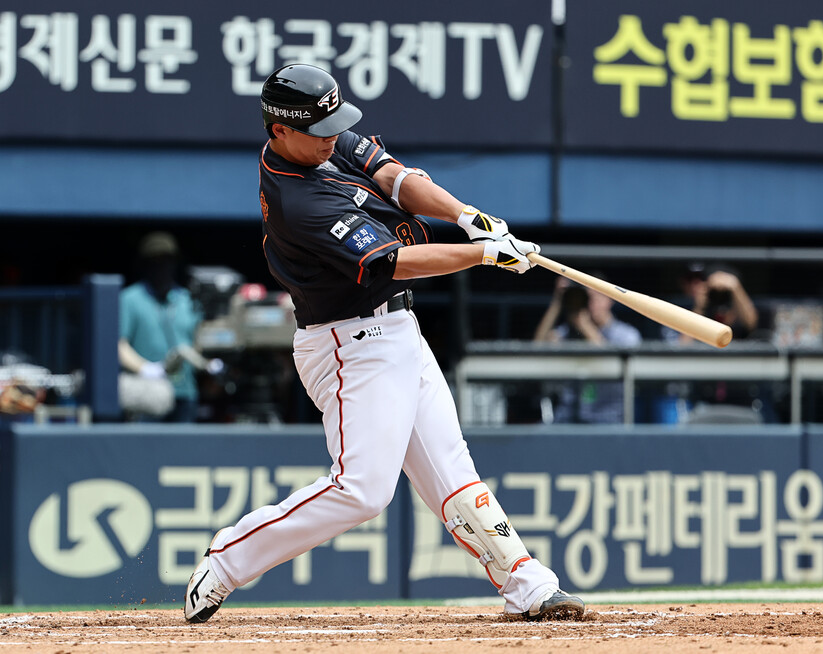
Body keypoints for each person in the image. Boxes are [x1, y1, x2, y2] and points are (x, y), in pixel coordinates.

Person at [184, 64, 584, 624]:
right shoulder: (299, 205)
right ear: (279, 130)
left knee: (452, 468)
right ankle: (229, 559)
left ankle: (528, 585)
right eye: (320, 129)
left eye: (334, 125)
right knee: (362, 492)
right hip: (349, 345)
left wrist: (468, 218)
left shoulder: (321, 138)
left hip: (396, 332)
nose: (333, 137)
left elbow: (396, 178)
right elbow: (395, 263)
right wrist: (482, 254)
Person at [118, 232, 205, 422]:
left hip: (185, 392)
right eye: (155, 262)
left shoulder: (187, 300)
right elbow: (119, 346)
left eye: (167, 261)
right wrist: (146, 369)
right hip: (148, 393)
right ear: (145, 265)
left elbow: (200, 341)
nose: (162, 268)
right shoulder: (130, 299)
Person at [534, 277, 642, 423]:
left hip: (608, 416)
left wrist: (586, 327)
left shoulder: (626, 334)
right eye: (587, 298)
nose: (590, 304)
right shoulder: (570, 332)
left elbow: (610, 362)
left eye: (595, 298)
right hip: (569, 417)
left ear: (610, 299)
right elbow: (537, 346)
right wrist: (558, 302)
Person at [663, 262, 758, 344]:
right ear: (682, 283)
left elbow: (751, 324)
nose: (695, 284)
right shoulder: (678, 306)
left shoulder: (727, 303)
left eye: (700, 279)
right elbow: (683, 346)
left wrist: (735, 287)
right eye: (690, 279)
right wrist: (699, 308)